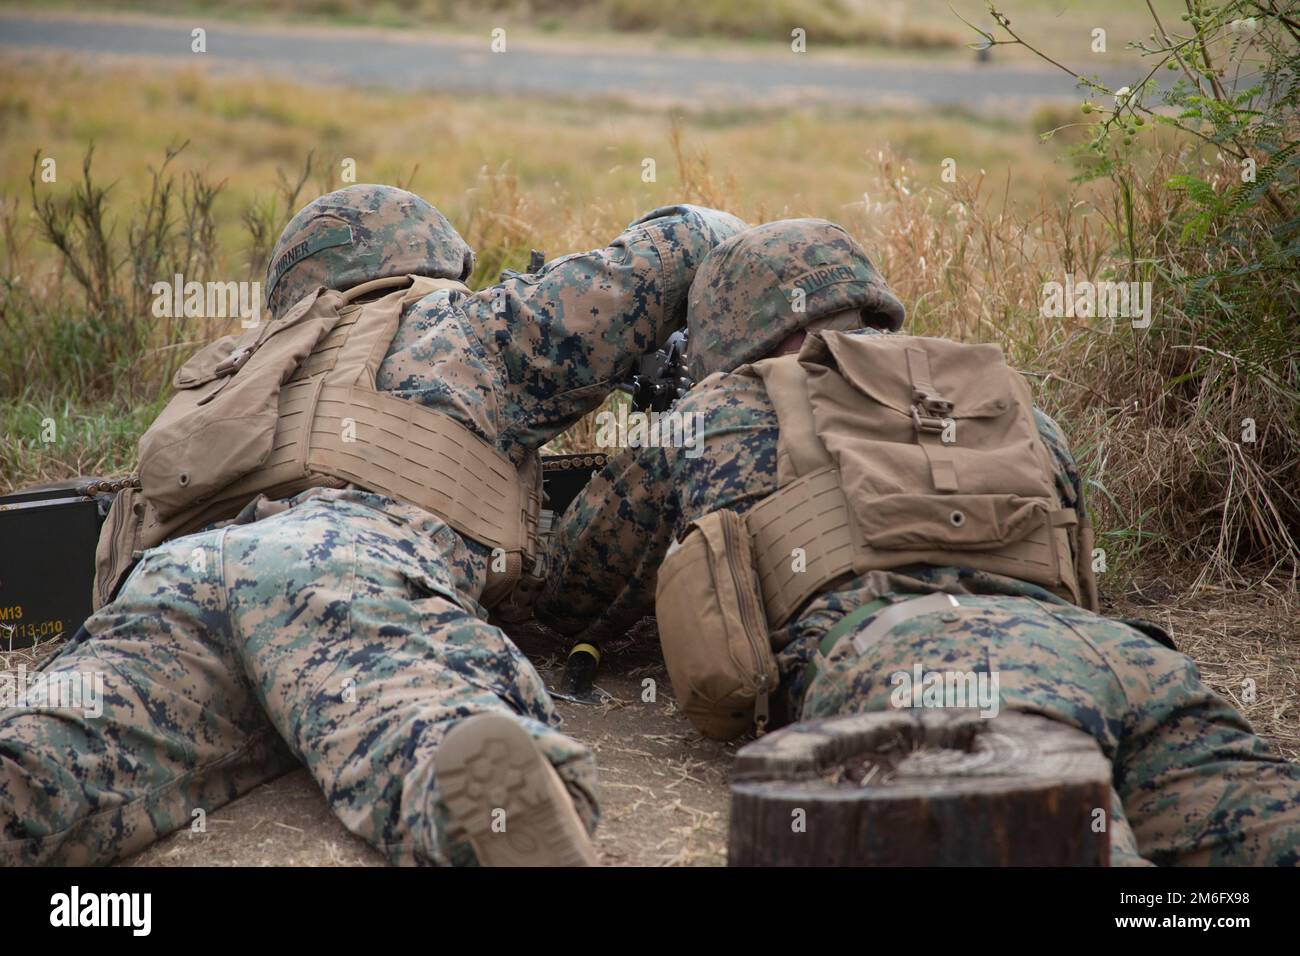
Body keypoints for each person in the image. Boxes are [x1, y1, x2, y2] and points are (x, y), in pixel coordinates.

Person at [0, 184, 745, 867]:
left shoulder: (236, 370)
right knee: (425, 724)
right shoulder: (466, 324)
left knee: (54, 752)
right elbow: (669, 253)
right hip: (344, 565)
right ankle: (475, 798)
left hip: (180, 577)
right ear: (431, 258)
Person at [536, 218, 1300, 866]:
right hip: (1124, 658)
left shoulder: (718, 406)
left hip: (931, 670)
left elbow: (574, 588)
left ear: (729, 327)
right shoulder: (1004, 396)